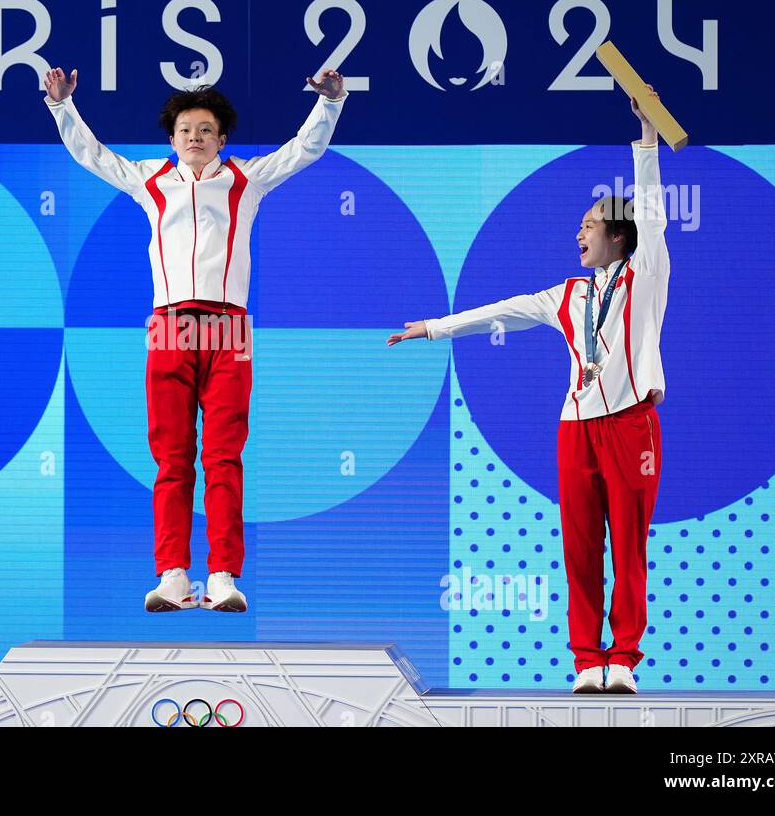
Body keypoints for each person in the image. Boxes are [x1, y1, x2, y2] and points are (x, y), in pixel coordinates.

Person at [389, 89, 669, 694]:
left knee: (628, 546)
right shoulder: (568, 294)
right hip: (576, 429)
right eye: (579, 227)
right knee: (579, 549)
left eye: (589, 226)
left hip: (630, 424)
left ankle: (623, 659)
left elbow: (651, 213)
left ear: (620, 238)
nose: (579, 235)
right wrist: (434, 327)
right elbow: (504, 310)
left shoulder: (647, 277)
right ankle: (587, 662)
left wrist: (645, 142)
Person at [43, 67, 347, 613]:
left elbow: (306, 149)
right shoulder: (149, 180)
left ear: (222, 139)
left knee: (225, 457)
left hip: (229, 329)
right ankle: (174, 574)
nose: (194, 138)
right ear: (172, 138)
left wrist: (331, 102)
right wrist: (63, 107)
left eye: (205, 130)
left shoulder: (247, 180)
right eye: (185, 130)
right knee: (172, 459)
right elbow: (91, 154)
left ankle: (224, 575)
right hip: (168, 327)